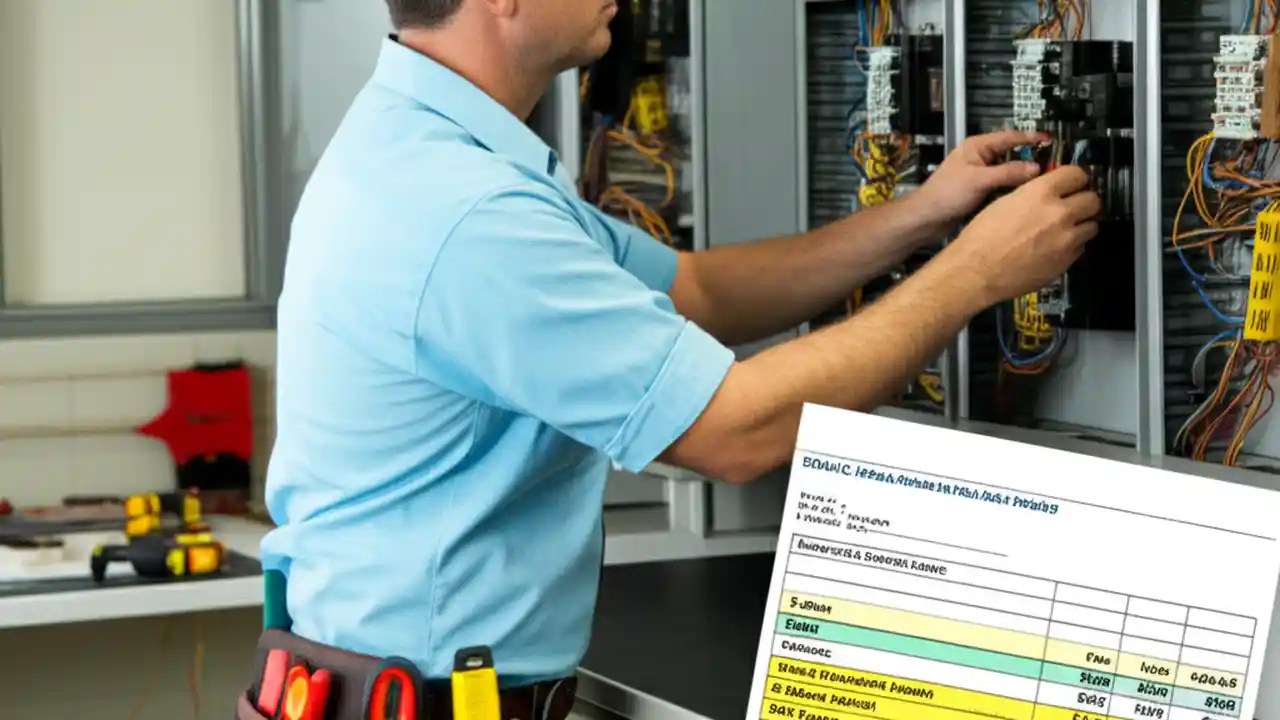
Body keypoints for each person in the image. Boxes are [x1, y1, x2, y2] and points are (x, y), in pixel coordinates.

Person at [240, 0, 1101, 717]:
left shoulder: (424, 150)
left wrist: (926, 213)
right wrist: (976, 272)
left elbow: (698, 291)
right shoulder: (464, 210)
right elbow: (736, 434)